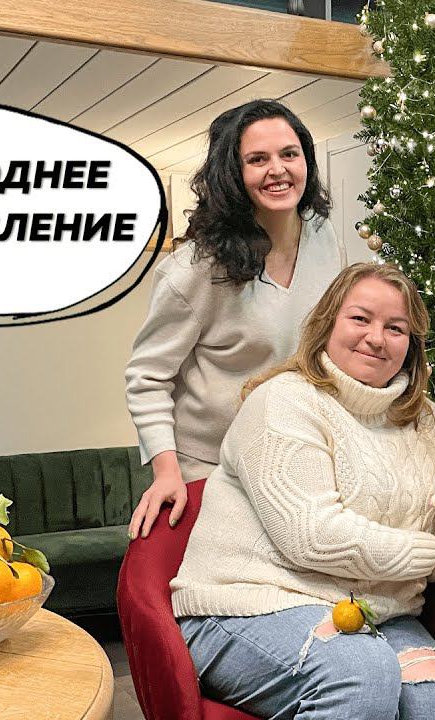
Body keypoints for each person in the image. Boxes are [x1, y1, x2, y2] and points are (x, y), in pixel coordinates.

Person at [173, 263, 435, 720]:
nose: (376, 338)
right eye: (360, 319)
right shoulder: (284, 400)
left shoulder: (422, 420)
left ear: (412, 345)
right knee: (360, 674)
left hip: (375, 612)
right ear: (328, 323)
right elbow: (310, 535)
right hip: (251, 604)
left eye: (395, 328)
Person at [124, 99, 346, 538]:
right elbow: (147, 378)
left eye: (289, 154)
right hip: (211, 470)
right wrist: (167, 472)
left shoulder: (324, 237)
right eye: (257, 159)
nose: (278, 170)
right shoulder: (193, 270)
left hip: (296, 458)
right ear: (232, 174)